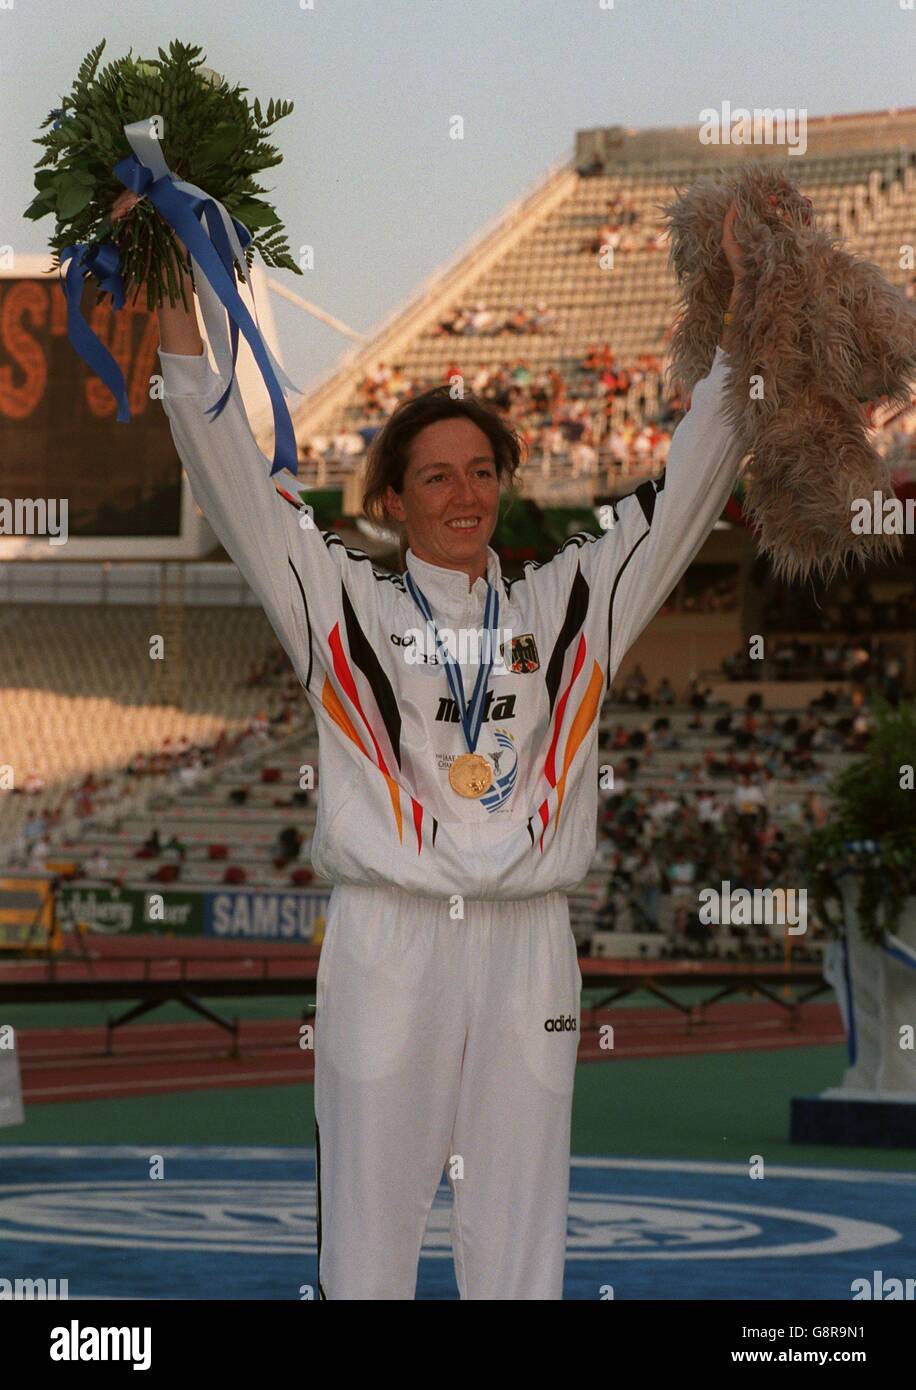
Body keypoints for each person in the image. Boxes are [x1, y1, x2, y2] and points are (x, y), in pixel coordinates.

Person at [142, 193, 747, 1301]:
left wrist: (755, 311)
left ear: (503, 485)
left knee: (522, 1248)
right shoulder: (339, 601)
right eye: (435, 475)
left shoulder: (576, 600)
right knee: (367, 1242)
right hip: (390, 939)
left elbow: (694, 481)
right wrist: (166, 268)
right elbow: (226, 467)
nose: (462, 494)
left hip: (530, 945)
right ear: (391, 497)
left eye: (479, 471)